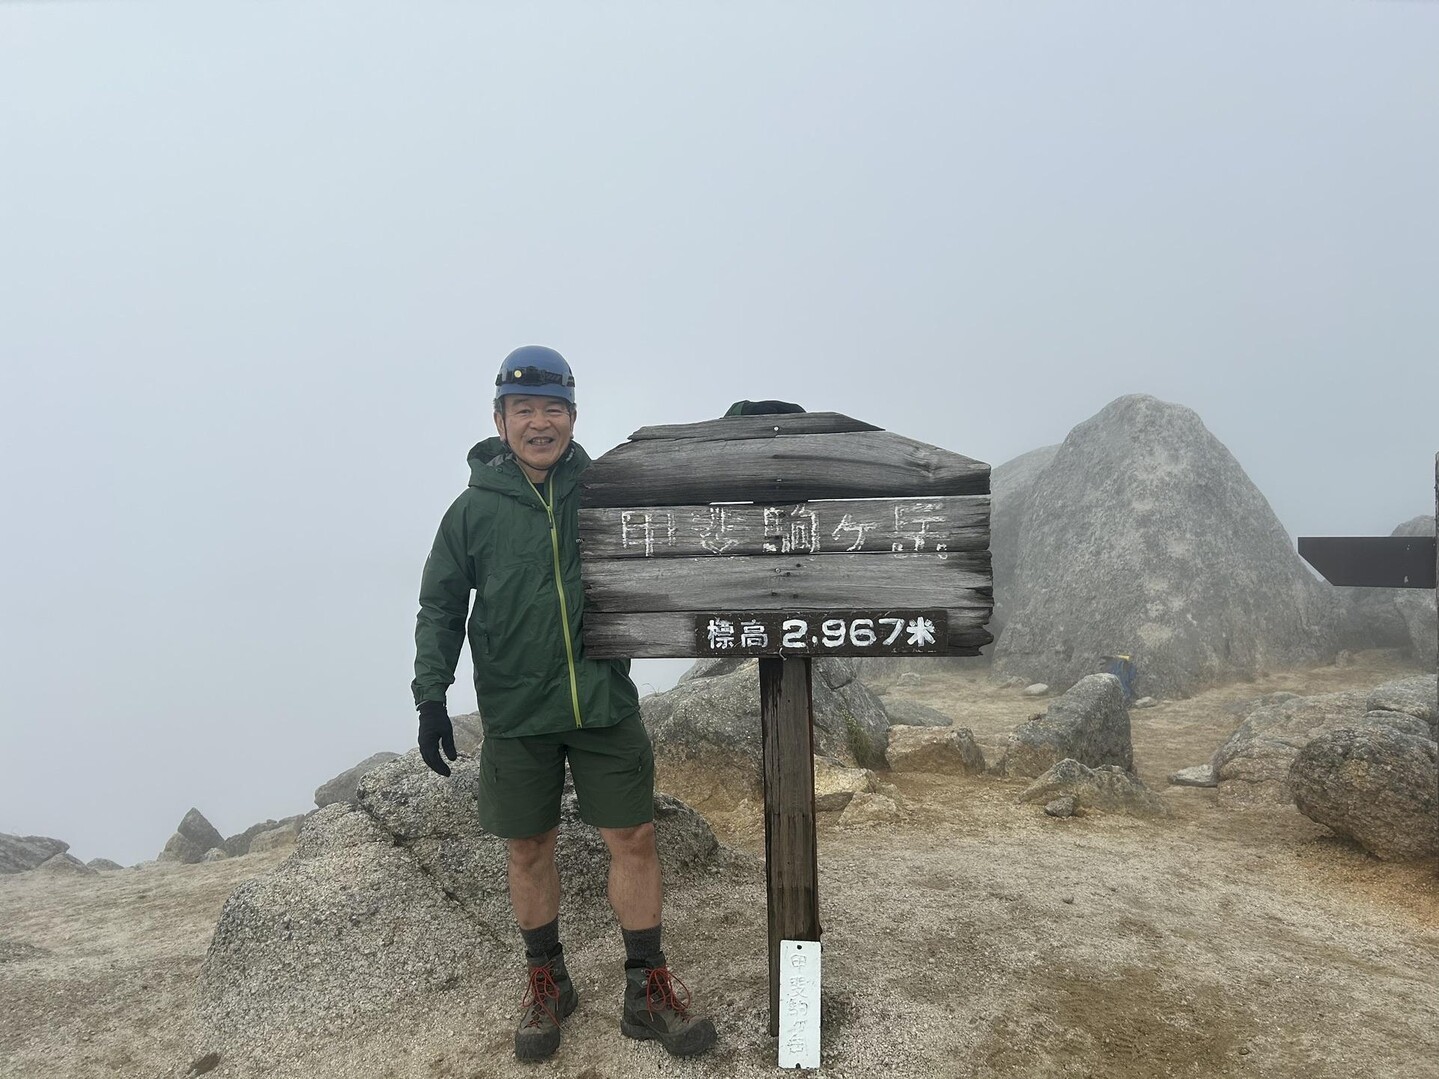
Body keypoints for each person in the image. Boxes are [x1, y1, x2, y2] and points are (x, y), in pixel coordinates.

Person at [411, 345, 717, 1061]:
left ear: (573, 418)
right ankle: (547, 980)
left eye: (553, 409)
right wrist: (431, 696)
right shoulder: (471, 512)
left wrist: (744, 427)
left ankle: (646, 988)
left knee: (633, 838)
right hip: (518, 712)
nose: (539, 423)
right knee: (527, 847)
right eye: (524, 410)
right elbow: (440, 607)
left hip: (603, 700)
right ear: (500, 420)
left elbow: (684, 480)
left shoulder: (604, 490)